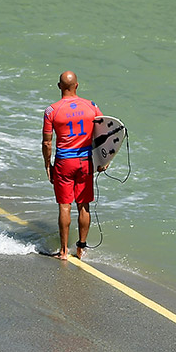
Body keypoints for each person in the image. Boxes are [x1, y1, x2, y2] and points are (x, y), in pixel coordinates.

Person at [42, 71, 103, 260]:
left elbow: (46, 143)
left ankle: (63, 251)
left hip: (64, 163)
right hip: (86, 162)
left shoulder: (52, 111)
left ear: (59, 86)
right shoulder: (91, 107)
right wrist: (104, 160)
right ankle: (81, 248)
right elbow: (106, 133)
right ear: (77, 85)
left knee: (65, 206)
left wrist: (47, 165)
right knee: (84, 205)